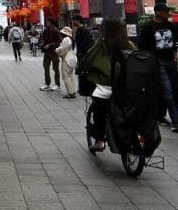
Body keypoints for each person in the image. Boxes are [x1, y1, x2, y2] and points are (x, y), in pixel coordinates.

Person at [76, 17, 135, 152]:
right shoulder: (128, 44)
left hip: (105, 85)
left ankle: (100, 140)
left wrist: (80, 70)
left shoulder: (101, 45)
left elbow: (87, 60)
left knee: (99, 110)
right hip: (127, 87)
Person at [138, 2, 178, 132]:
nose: (168, 14)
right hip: (157, 62)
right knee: (167, 91)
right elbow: (143, 47)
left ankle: (167, 116)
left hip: (171, 61)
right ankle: (176, 121)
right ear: (158, 12)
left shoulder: (171, 26)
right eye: (165, 11)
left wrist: (177, 58)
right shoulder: (148, 27)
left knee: (174, 90)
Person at [72, 15, 95, 96]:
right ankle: (82, 88)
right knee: (81, 72)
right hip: (80, 55)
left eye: (74, 20)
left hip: (83, 55)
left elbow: (86, 44)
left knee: (83, 72)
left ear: (78, 21)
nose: (73, 22)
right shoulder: (79, 30)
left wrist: (82, 54)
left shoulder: (84, 30)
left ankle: (85, 89)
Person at [39, 18, 61, 91]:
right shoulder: (45, 30)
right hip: (47, 52)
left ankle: (57, 84)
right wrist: (42, 43)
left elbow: (58, 42)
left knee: (55, 69)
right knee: (46, 68)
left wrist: (50, 45)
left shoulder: (56, 31)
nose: (46, 24)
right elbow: (42, 39)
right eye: (46, 22)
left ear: (52, 23)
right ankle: (47, 83)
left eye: (48, 22)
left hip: (54, 52)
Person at [56, 26, 77, 98]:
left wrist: (56, 49)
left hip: (67, 59)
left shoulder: (66, 39)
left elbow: (61, 48)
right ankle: (73, 91)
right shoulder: (72, 39)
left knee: (65, 76)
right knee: (71, 76)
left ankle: (70, 93)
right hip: (72, 59)